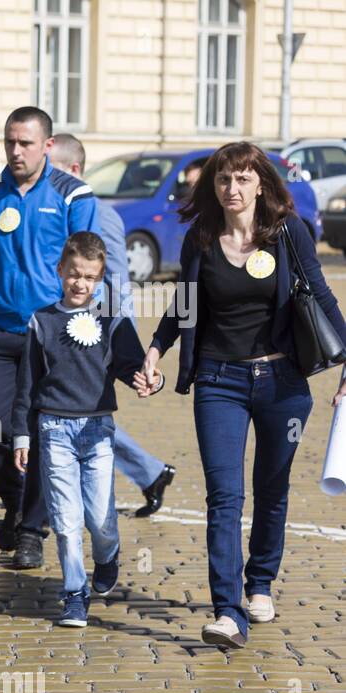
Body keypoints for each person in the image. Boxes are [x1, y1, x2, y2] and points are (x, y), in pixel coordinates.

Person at [136, 142, 346, 649]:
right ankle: (227, 611)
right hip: (218, 382)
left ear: (261, 184)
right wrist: (157, 348)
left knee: (271, 490)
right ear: (213, 185)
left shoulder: (288, 234)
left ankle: (260, 583)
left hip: (283, 385)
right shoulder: (200, 239)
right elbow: (183, 305)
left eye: (243, 179)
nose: (233, 189)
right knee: (225, 496)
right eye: (224, 180)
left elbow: (319, 295)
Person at [0, 106, 98, 569]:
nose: (15, 151)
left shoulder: (73, 194)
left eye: (25, 143)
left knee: (45, 434)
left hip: (51, 336)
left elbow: (89, 265)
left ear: (48, 145)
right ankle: (15, 498)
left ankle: (31, 530)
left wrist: (87, 325)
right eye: (9, 142)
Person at [12, 232, 160, 627]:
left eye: (90, 277)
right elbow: (27, 384)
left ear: (100, 280)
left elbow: (131, 368)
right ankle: (74, 594)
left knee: (99, 519)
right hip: (54, 430)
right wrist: (22, 435)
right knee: (64, 519)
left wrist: (150, 381)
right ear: (61, 270)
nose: (80, 283)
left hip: (97, 432)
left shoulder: (112, 321)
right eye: (74, 274)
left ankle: (107, 554)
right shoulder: (41, 321)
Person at [49, 133, 177, 517]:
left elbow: (118, 281)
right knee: (63, 415)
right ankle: (151, 473)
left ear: (74, 170)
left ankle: (37, 512)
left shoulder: (101, 214)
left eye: (50, 168)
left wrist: (123, 341)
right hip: (58, 326)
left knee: (78, 417)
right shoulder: (50, 206)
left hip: (92, 332)